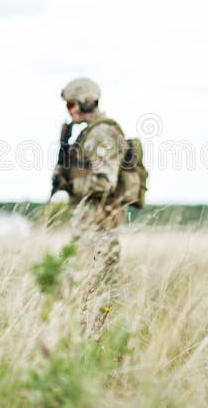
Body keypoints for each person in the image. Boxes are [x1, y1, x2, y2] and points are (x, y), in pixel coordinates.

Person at [52, 77, 126, 339]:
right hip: (89, 228)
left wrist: (71, 182)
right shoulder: (87, 133)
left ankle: (99, 343)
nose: (69, 109)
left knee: (98, 292)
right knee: (85, 292)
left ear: (85, 102)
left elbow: (106, 182)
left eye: (72, 104)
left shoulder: (101, 134)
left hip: (98, 229)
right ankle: (88, 340)